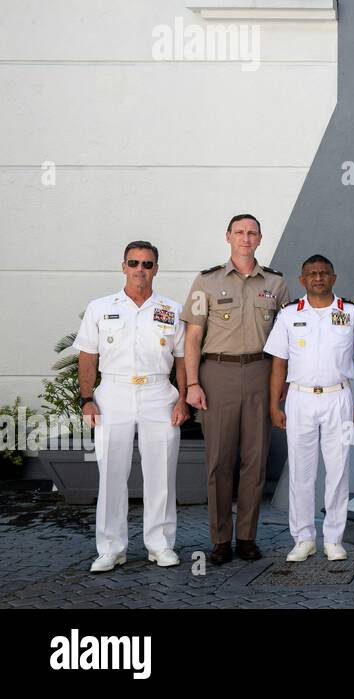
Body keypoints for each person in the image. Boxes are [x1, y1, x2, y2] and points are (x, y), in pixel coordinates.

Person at [74, 241, 189, 572]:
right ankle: (111, 547)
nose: (141, 269)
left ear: (156, 268)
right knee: (111, 473)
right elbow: (87, 356)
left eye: (148, 264)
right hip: (113, 393)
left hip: (158, 394)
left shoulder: (172, 309)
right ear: (123, 266)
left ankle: (161, 544)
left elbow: (182, 359)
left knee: (162, 474)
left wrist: (183, 398)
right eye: (134, 263)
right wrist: (86, 399)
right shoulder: (100, 307)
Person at [182, 214, 287, 564]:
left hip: (260, 371)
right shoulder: (207, 281)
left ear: (260, 238)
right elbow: (193, 337)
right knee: (219, 461)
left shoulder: (276, 283)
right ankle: (220, 539)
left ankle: (246, 537)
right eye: (239, 232)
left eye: (252, 233)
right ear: (228, 236)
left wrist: (281, 385)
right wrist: (193, 383)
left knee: (255, 461)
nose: (245, 238)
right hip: (218, 374)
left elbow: (287, 340)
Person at [265, 255, 354, 562]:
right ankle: (303, 538)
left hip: (340, 398)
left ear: (333, 278)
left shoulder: (352, 313)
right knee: (301, 470)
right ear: (302, 279)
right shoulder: (288, 315)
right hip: (299, 399)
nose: (318, 278)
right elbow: (279, 362)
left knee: (339, 469)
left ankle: (334, 538)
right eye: (312, 274)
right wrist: (274, 404)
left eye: (323, 273)